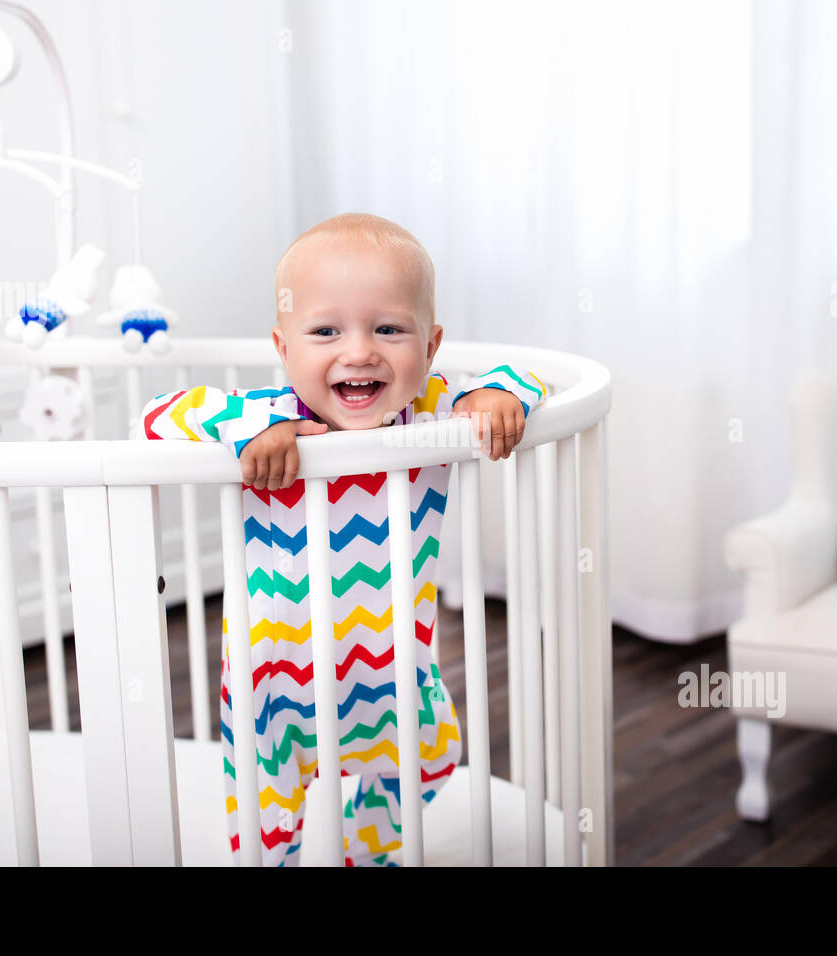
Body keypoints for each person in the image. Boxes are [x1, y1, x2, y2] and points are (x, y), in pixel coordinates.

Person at [137, 212, 546, 865]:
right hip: (273, 671)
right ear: (283, 348)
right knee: (268, 810)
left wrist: (498, 395)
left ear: (431, 346)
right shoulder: (270, 423)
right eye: (325, 331)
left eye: (388, 328)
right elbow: (157, 418)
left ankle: (369, 852)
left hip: (392, 663)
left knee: (431, 760)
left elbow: (526, 384)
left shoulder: (436, 415)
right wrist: (247, 425)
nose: (358, 352)